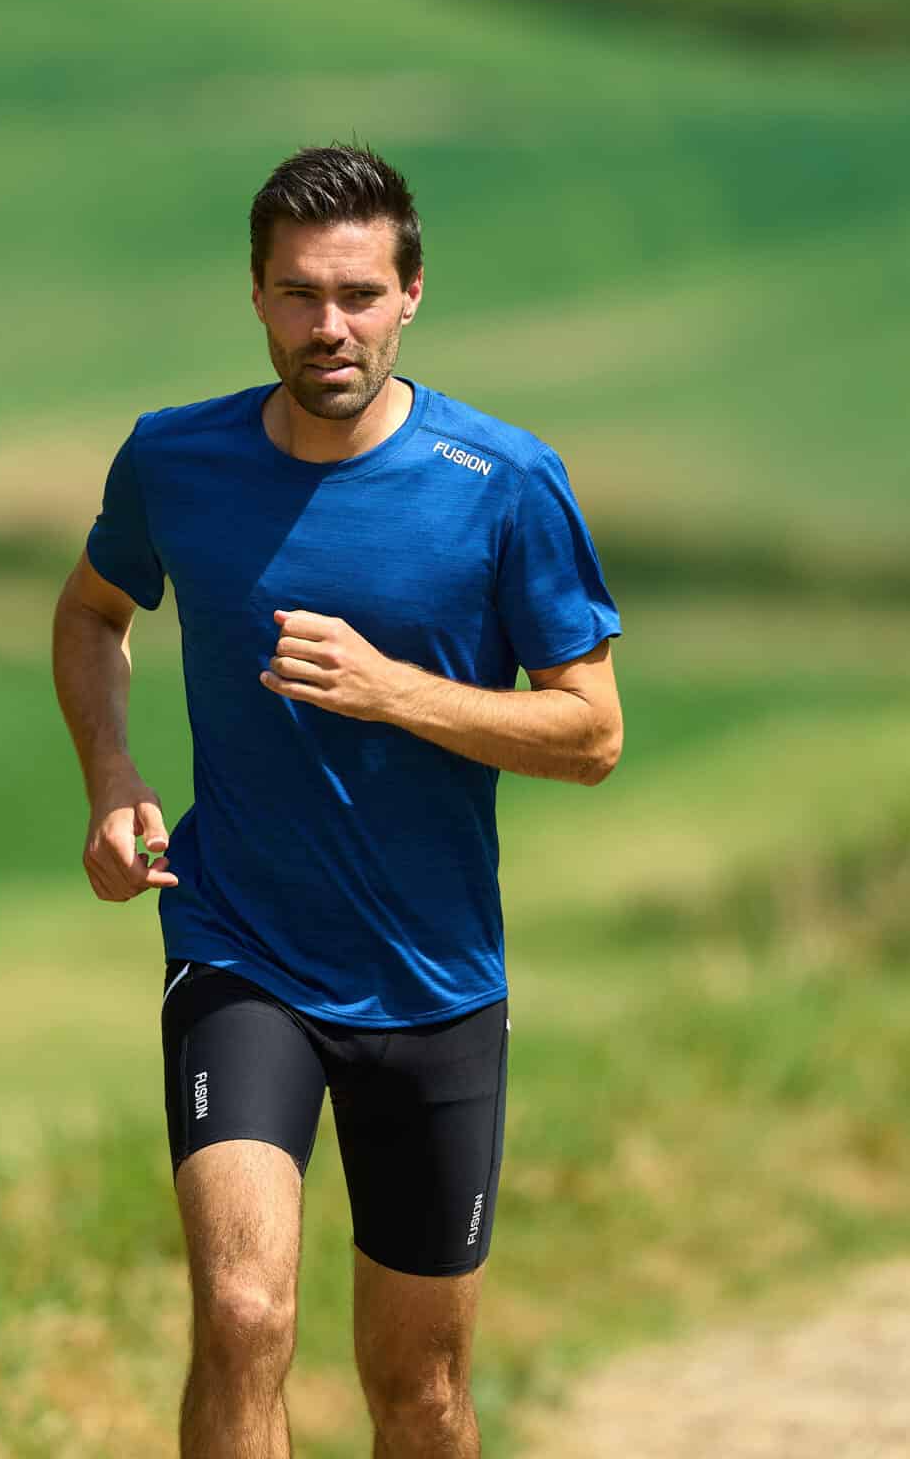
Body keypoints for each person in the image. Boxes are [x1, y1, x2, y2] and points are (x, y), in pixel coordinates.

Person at [50, 143, 624, 1459]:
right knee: (244, 1314)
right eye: (302, 294)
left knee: (417, 1389)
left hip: (436, 984)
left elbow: (592, 732)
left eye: (359, 294)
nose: (331, 326)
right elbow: (92, 616)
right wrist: (112, 778)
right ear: (255, 297)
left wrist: (391, 691)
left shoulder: (506, 485)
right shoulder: (173, 463)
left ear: (412, 294)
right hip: (240, 948)